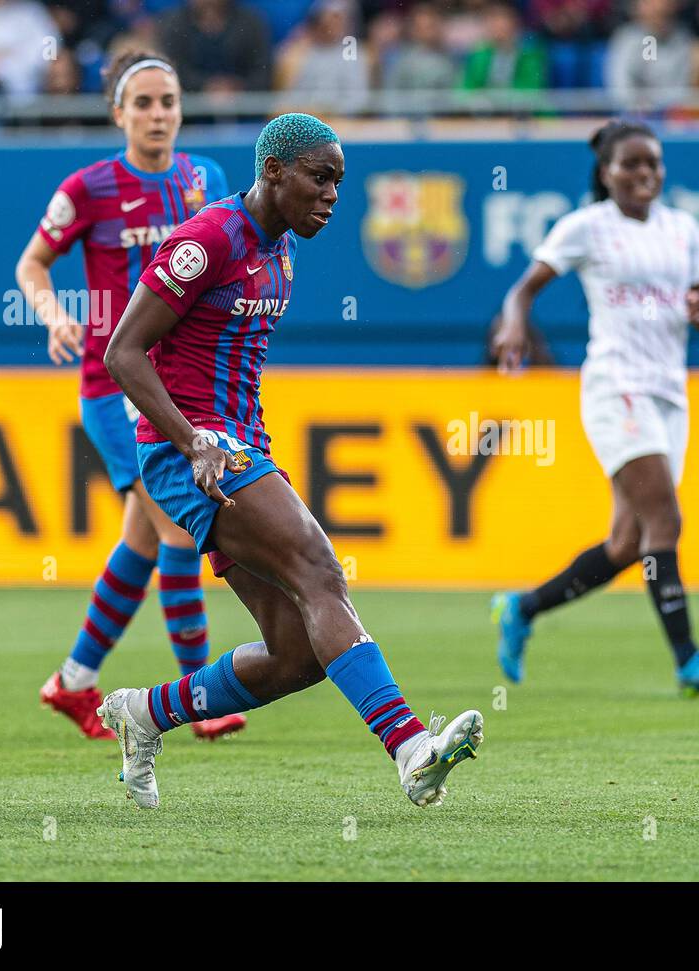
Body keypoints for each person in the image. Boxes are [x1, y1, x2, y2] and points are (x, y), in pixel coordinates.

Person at [97, 113, 484, 809]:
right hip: (193, 451)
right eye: (320, 177)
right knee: (320, 568)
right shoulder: (205, 240)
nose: (332, 195)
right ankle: (410, 750)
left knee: (296, 655)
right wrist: (193, 441)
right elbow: (121, 352)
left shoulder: (282, 248)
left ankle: (143, 712)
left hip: (240, 446)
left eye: (339, 181)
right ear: (273, 170)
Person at [15, 50, 244, 741]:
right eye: (142, 103)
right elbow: (32, 262)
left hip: (177, 382)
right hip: (114, 385)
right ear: (118, 112)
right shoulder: (88, 188)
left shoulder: (208, 179)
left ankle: (74, 680)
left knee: (141, 542)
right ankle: (200, 695)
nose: (156, 114)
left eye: (167, 101)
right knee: (176, 528)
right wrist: (55, 314)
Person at [489, 120, 699, 696]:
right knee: (667, 520)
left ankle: (523, 607)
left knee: (628, 545)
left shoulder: (683, 230)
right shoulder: (587, 227)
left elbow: (698, 302)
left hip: (667, 392)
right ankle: (688, 658)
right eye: (631, 165)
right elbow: (524, 289)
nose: (644, 175)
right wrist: (513, 325)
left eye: (653, 164)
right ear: (606, 173)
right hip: (615, 386)